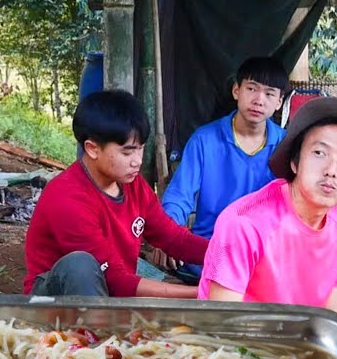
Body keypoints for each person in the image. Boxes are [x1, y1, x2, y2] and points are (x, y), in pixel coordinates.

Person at [198, 97, 337, 310]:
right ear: (294, 162)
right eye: (319, 153)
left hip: (305, 330)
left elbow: (328, 317)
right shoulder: (244, 224)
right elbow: (223, 320)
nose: (331, 170)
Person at [24, 90, 208, 298]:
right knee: (81, 265)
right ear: (92, 149)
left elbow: (174, 238)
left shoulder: (134, 185)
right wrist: (201, 293)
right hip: (51, 303)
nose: (137, 161)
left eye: (140, 149)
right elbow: (116, 281)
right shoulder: (67, 198)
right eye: (127, 152)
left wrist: (226, 254)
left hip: (108, 297)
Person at [159, 56, 288, 277]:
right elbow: (179, 196)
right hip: (209, 251)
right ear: (236, 90)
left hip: (266, 255)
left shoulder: (286, 146)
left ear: (279, 102)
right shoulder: (204, 140)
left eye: (269, 94)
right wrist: (169, 233)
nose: (259, 100)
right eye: (251, 89)